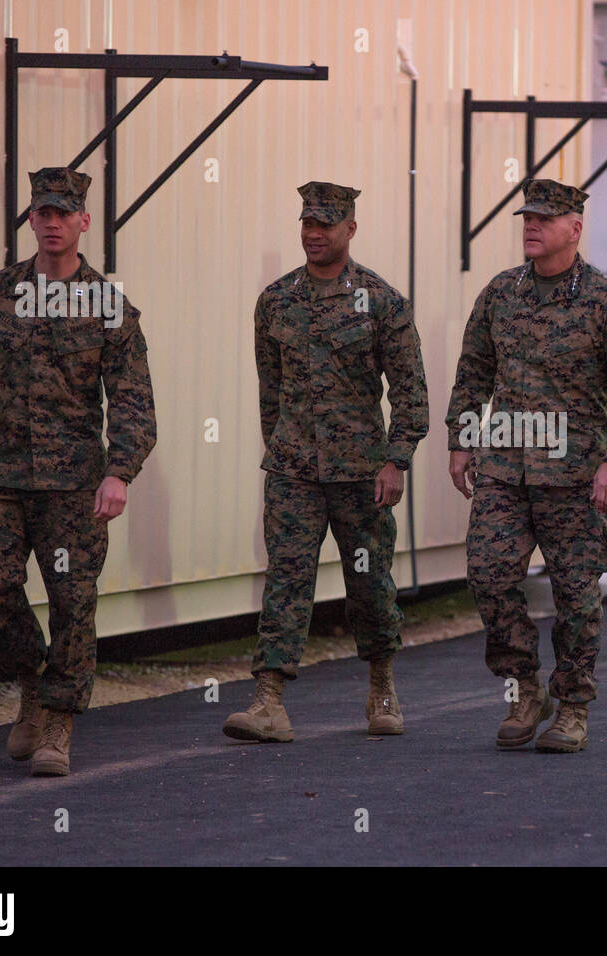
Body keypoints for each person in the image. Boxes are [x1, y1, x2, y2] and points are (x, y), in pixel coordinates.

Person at [0, 167, 156, 776]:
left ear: (84, 222)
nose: (51, 222)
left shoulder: (110, 307)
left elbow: (132, 400)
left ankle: (58, 722)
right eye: (41, 212)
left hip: (75, 482)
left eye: (63, 213)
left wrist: (120, 472)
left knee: (72, 601)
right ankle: (32, 681)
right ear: (31, 219)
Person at [445, 179, 607, 752]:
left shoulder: (606, 300)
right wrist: (461, 440)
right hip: (505, 470)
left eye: (543, 218)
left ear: (575, 228)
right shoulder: (500, 293)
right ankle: (522, 688)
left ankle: (572, 706)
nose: (531, 226)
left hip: (576, 475)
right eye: (526, 218)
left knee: (576, 594)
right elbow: (473, 372)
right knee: (488, 575)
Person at [225, 181, 429, 742]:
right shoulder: (277, 300)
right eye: (306, 224)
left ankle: (382, 684)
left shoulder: (380, 301)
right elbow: (271, 389)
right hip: (293, 472)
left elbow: (410, 391)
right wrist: (281, 448)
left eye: (325, 225)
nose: (313, 234)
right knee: (286, 580)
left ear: (350, 230)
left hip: (363, 474)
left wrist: (397, 460)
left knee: (369, 584)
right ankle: (268, 699)